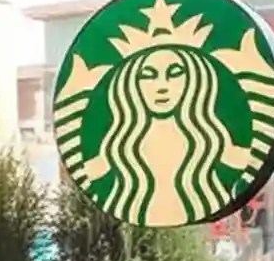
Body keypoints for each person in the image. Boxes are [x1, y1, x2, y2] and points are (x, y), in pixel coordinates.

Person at [82, 45, 250, 227]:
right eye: (148, 75)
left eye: (175, 73)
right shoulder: (110, 154)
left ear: (194, 80)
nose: (162, 86)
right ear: (131, 84)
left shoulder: (220, 146)